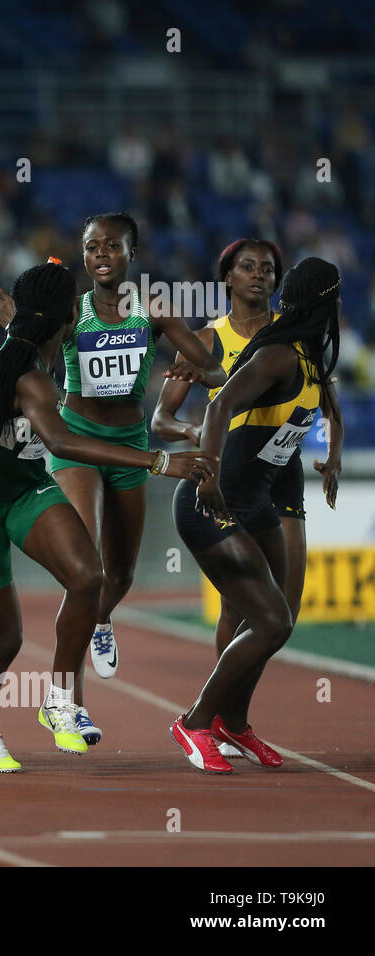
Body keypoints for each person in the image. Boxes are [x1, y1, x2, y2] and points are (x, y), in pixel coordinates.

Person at [0, 263, 212, 772]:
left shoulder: (30, 347)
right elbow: (62, 442)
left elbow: (30, 338)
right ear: (67, 319)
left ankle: (60, 699)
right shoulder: (30, 377)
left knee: (90, 577)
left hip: (23, 486)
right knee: (5, 638)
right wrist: (158, 461)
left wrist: (17, 318)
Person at [152, 240, 344, 759]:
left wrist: (333, 454)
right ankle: (202, 720)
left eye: (268, 269)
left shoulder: (299, 347)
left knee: (280, 612)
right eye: (248, 267)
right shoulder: (233, 344)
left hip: (269, 484)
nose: (259, 275)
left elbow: (326, 403)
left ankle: (232, 721)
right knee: (258, 615)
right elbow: (194, 413)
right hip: (222, 482)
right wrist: (204, 459)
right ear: (228, 278)